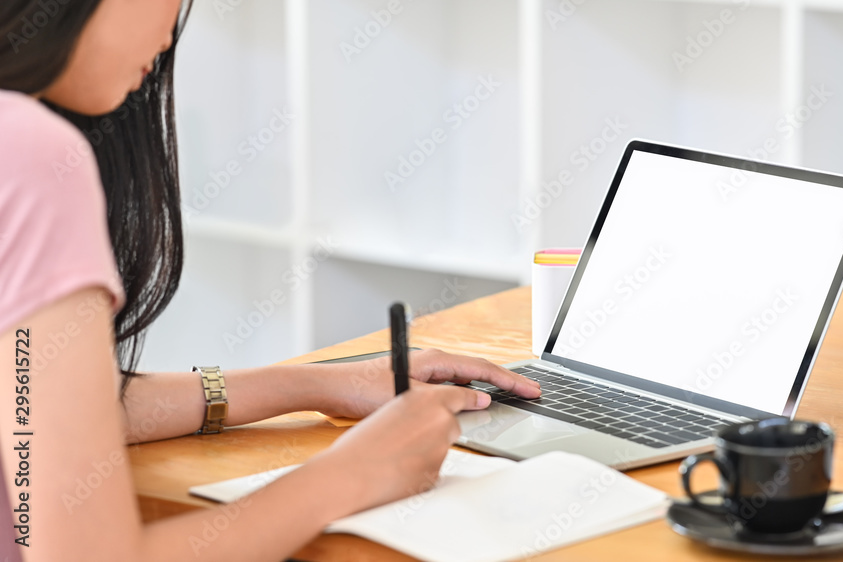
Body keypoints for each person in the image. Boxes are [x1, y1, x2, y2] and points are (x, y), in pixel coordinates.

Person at [0, 1, 541, 560]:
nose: (169, 36)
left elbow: (29, 414)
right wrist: (355, 474)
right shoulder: (30, 152)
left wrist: (316, 385)